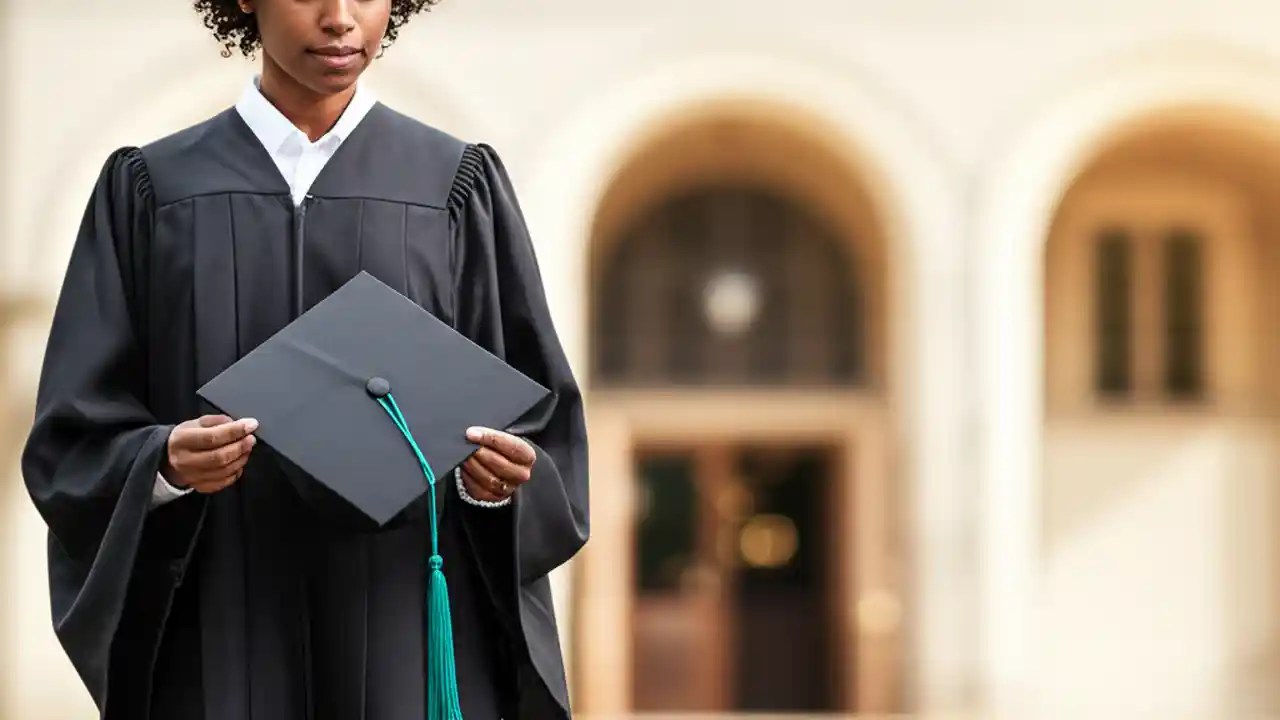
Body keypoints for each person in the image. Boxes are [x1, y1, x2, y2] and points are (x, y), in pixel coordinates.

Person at [20, 1, 589, 718]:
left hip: (402, 637)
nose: (341, 18)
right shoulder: (152, 191)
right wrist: (162, 464)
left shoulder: (456, 188)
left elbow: (541, 429)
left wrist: (494, 485)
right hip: (219, 635)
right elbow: (72, 437)